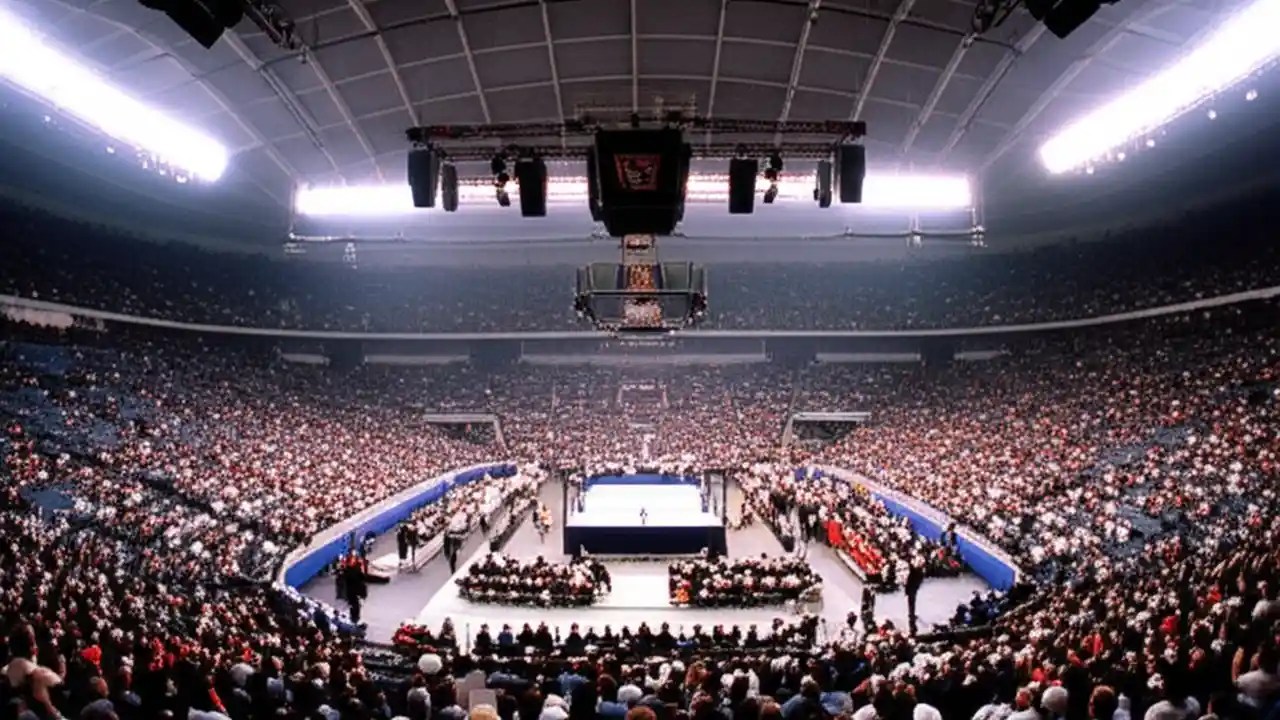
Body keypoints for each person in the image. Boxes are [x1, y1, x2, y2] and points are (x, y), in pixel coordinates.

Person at [905, 555, 925, 635]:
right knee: (912, 603)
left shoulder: (917, 572)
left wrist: (910, 563)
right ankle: (912, 615)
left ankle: (912, 617)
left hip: (912, 590)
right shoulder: (920, 572)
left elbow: (911, 571)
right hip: (913, 589)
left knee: (911, 604)